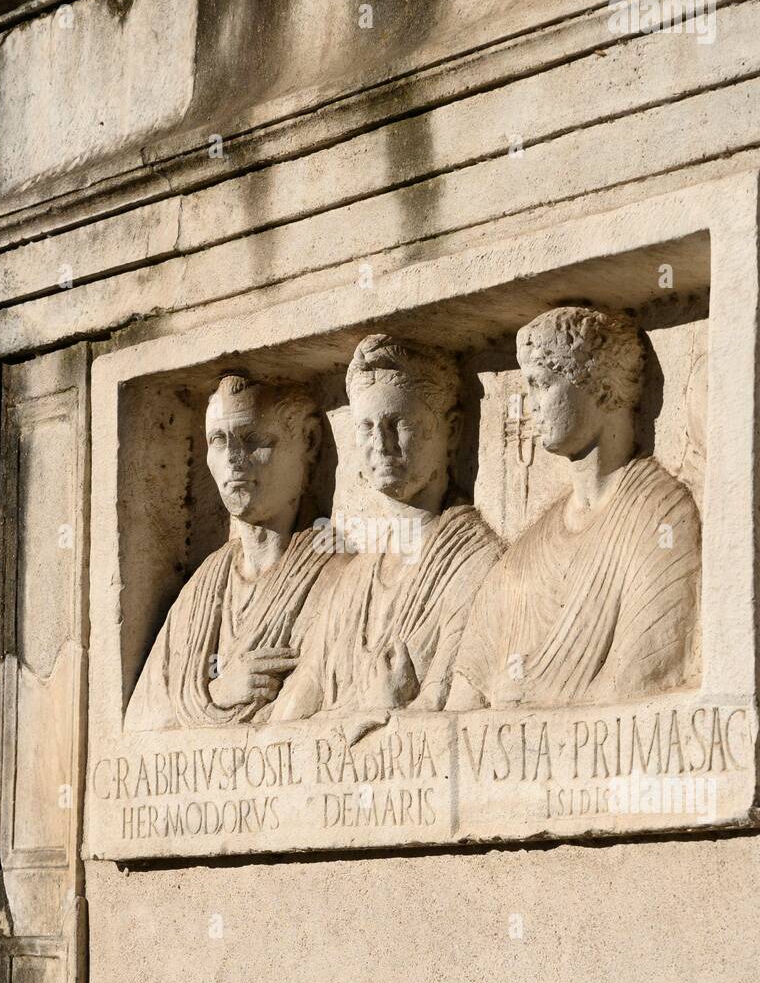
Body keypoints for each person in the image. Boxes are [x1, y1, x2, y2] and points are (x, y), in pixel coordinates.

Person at [448, 306, 700, 710]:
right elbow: (465, 696)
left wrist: (529, 698)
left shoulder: (661, 516)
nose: (531, 406)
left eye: (542, 384)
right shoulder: (525, 553)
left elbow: (638, 678)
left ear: (600, 387)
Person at [272, 333, 500, 719]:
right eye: (366, 427)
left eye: (399, 423)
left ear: (453, 430)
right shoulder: (354, 579)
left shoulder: (475, 565)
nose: (382, 443)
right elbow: (299, 698)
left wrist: (386, 710)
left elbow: (454, 712)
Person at [125, 373, 331, 729]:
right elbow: (142, 722)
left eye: (253, 439)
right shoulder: (201, 590)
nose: (234, 459)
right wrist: (217, 694)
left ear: (309, 442)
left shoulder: (334, 577)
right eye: (218, 441)